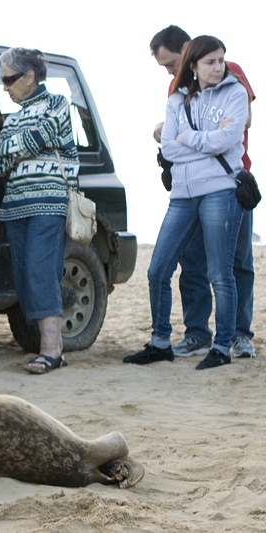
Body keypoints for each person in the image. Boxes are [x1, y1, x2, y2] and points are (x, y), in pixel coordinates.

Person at [125, 35, 248, 370]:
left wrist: (186, 137)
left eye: (221, 60)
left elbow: (229, 139)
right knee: (158, 269)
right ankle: (161, 342)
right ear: (193, 65)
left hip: (220, 190)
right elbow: (169, 149)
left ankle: (222, 347)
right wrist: (199, 141)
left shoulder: (235, 91)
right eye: (210, 62)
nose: (218, 67)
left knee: (221, 274)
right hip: (181, 193)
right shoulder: (178, 97)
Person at [0, 48, 80, 374]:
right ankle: (51, 348)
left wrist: (16, 148)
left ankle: (52, 350)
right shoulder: (13, 118)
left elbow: (42, 136)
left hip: (49, 203)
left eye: (9, 79)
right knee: (27, 276)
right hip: (15, 206)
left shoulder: (57, 103)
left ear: (30, 76)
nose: (5, 87)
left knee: (41, 272)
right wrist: (19, 146)